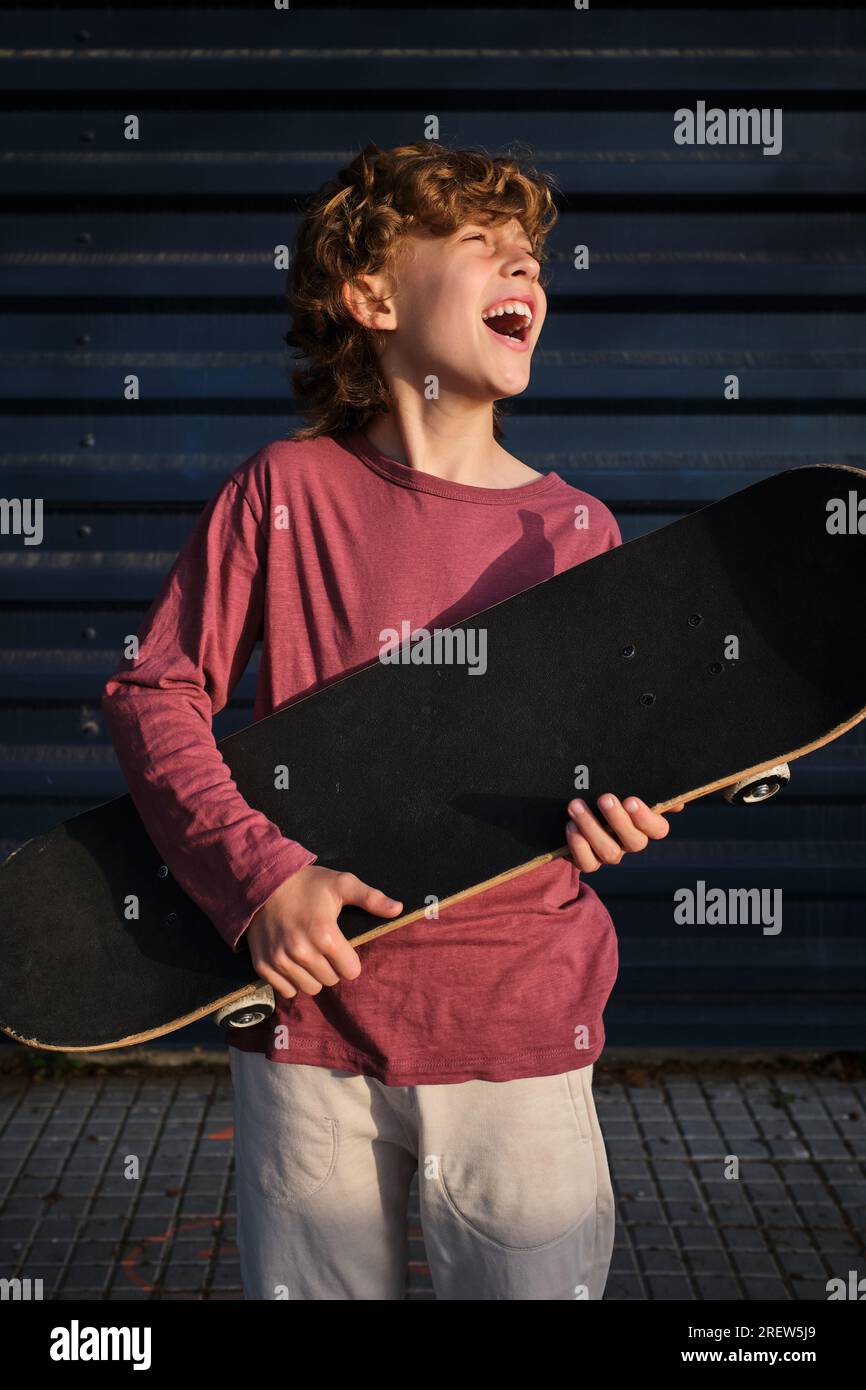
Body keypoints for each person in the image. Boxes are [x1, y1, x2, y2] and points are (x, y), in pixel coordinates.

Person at [102, 141, 683, 1301]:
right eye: (482, 246)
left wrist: (621, 810)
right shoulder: (284, 493)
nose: (525, 265)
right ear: (372, 298)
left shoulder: (576, 533)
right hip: (310, 1026)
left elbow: (604, 765)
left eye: (532, 255)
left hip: (516, 1025)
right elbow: (152, 690)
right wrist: (260, 877)